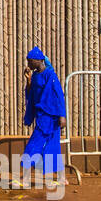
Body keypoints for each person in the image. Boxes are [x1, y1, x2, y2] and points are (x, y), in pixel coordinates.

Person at [20, 46, 67, 189]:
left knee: (34, 146)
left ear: (39, 60)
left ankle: (26, 179)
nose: (28, 64)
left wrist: (62, 115)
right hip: (42, 116)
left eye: (30, 61)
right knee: (50, 147)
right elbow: (31, 94)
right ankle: (62, 178)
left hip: (51, 117)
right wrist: (28, 80)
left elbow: (59, 95)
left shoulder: (50, 75)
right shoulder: (35, 76)